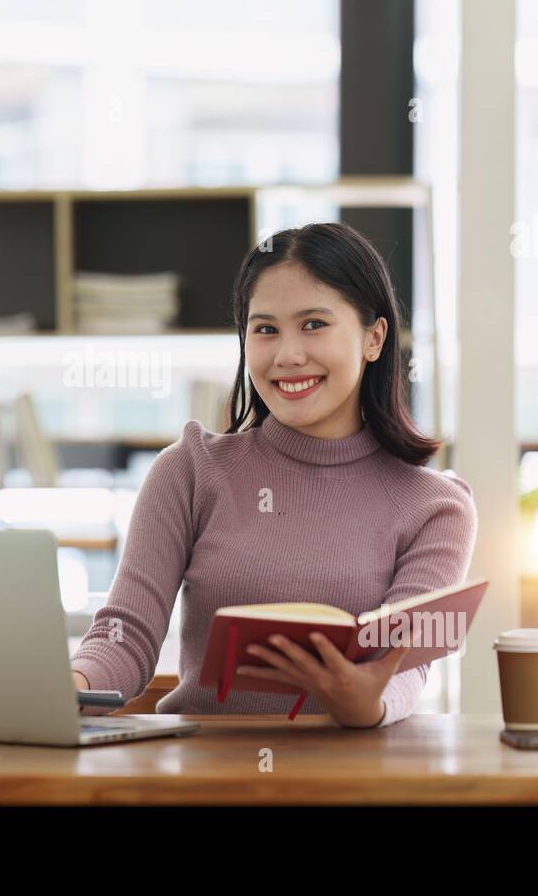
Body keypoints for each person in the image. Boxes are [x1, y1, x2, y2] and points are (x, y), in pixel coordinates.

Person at [70, 222, 478, 727]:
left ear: (374, 338)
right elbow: (126, 633)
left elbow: (404, 668)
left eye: (313, 325)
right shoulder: (190, 471)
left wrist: (366, 702)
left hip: (356, 778)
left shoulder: (435, 506)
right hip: (205, 774)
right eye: (265, 330)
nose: (287, 356)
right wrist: (75, 683)